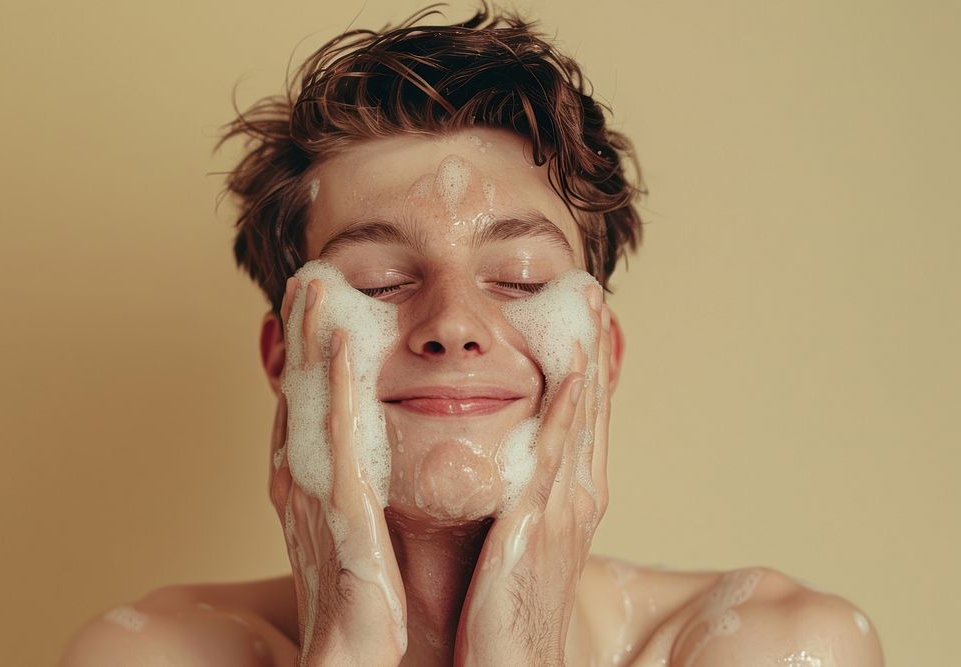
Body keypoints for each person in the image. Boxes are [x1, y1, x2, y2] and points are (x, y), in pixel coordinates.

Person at [61, 5, 884, 666]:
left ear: (605, 354)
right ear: (285, 360)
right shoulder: (153, 653)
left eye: (521, 278)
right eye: (380, 281)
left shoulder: (771, 645)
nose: (452, 324)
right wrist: (344, 650)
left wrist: (521, 646)